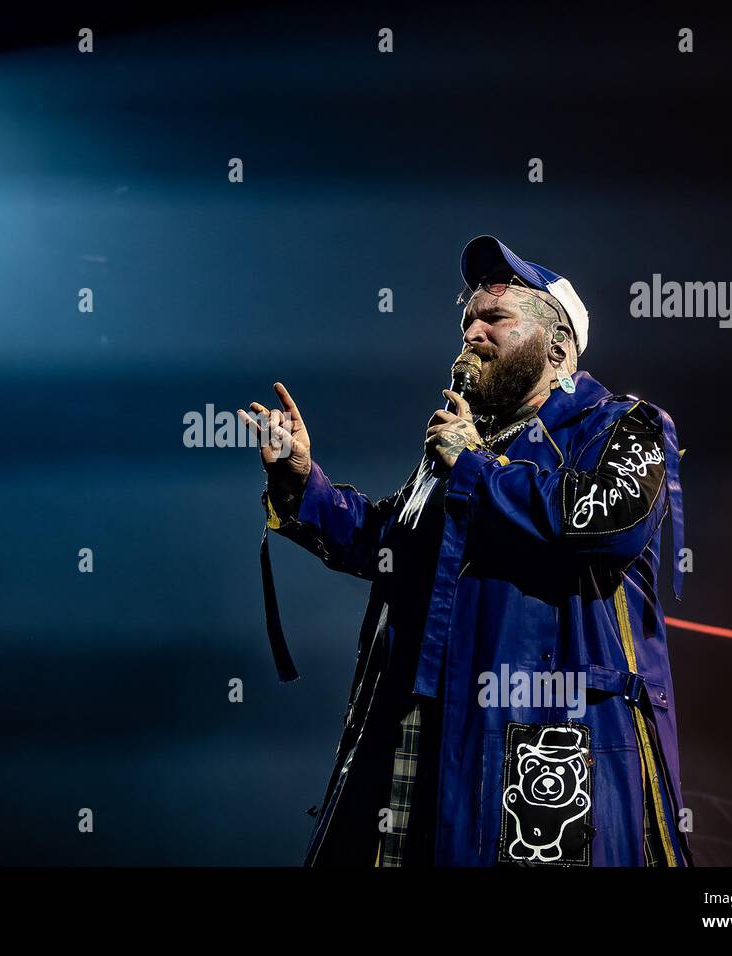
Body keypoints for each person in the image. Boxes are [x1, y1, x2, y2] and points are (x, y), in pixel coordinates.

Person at [239, 236, 692, 867]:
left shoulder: (621, 424)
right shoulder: (456, 450)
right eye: (466, 321)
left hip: (544, 745)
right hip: (424, 735)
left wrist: (474, 467)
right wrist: (300, 481)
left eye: (495, 319)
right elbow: (387, 545)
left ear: (557, 346)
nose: (471, 334)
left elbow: (604, 523)